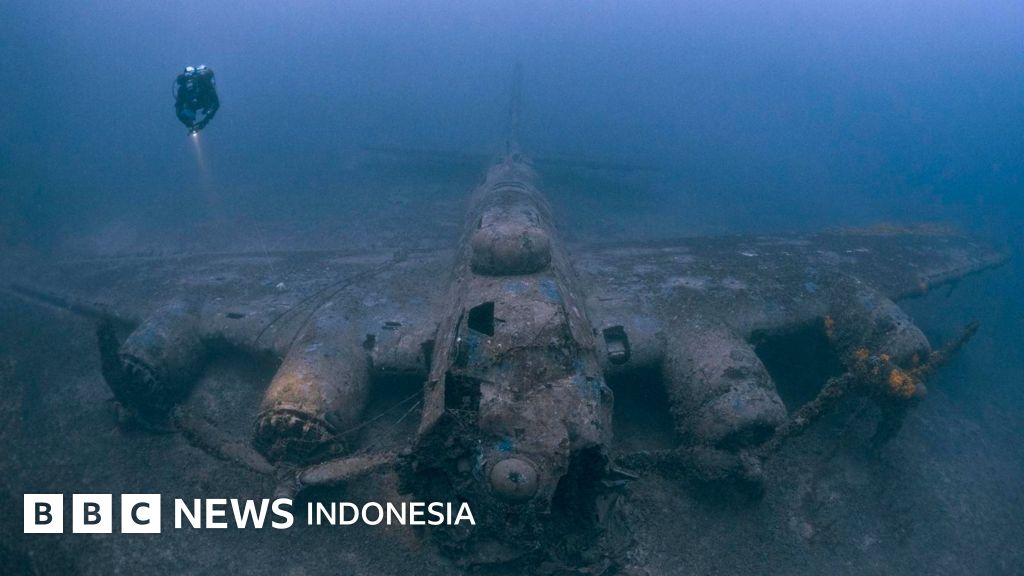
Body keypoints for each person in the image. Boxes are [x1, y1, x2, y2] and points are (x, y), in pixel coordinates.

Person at [174, 65, 219, 133]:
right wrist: (204, 121)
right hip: (201, 103)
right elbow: (216, 104)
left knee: (186, 112)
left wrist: (187, 123)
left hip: (195, 105)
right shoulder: (206, 83)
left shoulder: (183, 89)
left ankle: (192, 115)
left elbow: (178, 109)